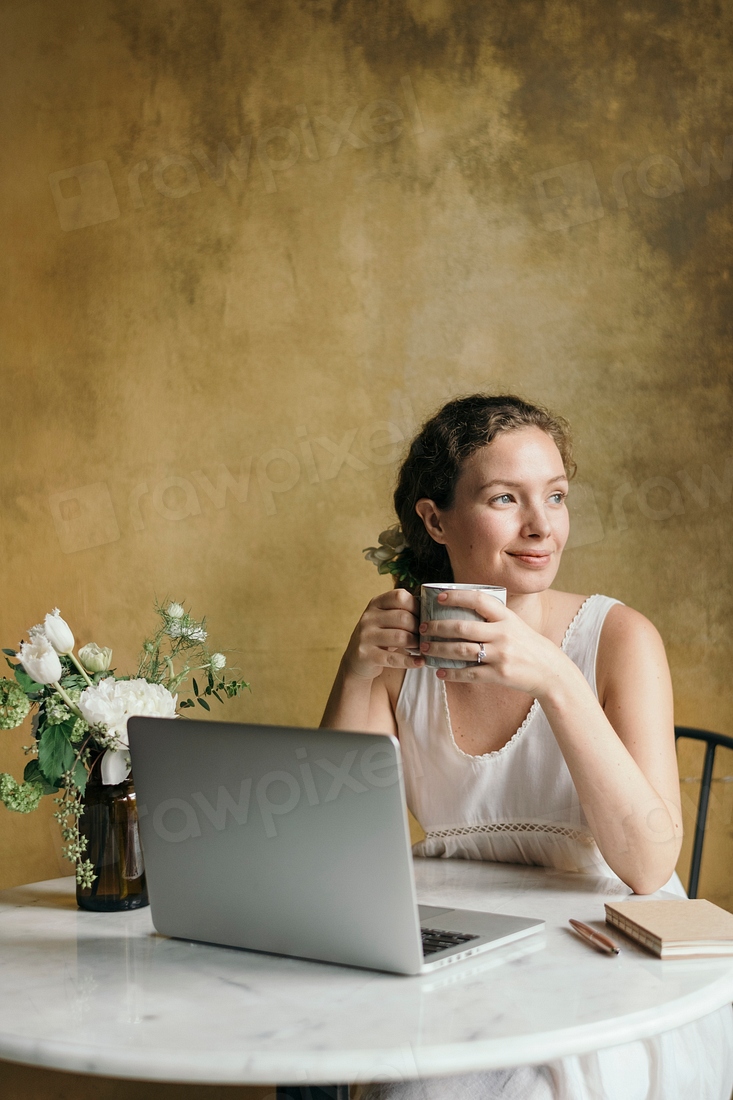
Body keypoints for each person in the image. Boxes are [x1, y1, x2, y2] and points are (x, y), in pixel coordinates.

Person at [321, 394, 733, 1100]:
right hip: (463, 949)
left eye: (556, 496)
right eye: (505, 498)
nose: (541, 526)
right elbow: (335, 860)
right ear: (434, 519)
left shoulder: (619, 639)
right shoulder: (397, 649)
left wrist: (554, 678)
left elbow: (646, 866)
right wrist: (357, 670)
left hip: (610, 954)